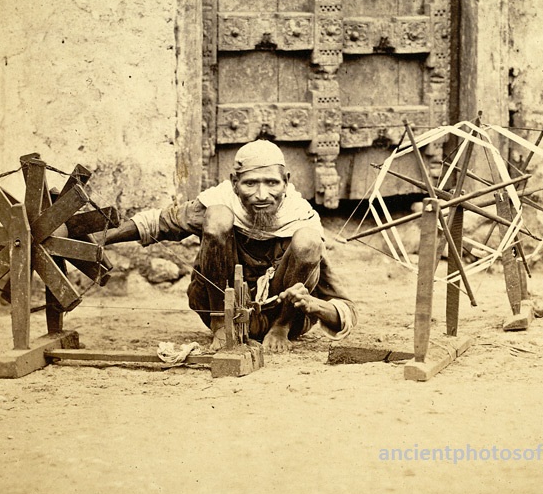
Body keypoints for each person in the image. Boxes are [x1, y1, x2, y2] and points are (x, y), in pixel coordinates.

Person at [103, 140, 356, 352]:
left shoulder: (302, 216)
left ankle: (281, 327)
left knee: (309, 240)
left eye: (272, 183)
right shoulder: (220, 199)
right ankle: (221, 325)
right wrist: (101, 238)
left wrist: (313, 305)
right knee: (217, 216)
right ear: (235, 182)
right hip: (220, 310)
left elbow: (345, 310)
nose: (261, 195)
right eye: (250, 183)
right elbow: (159, 222)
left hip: (282, 321)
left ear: (286, 182)